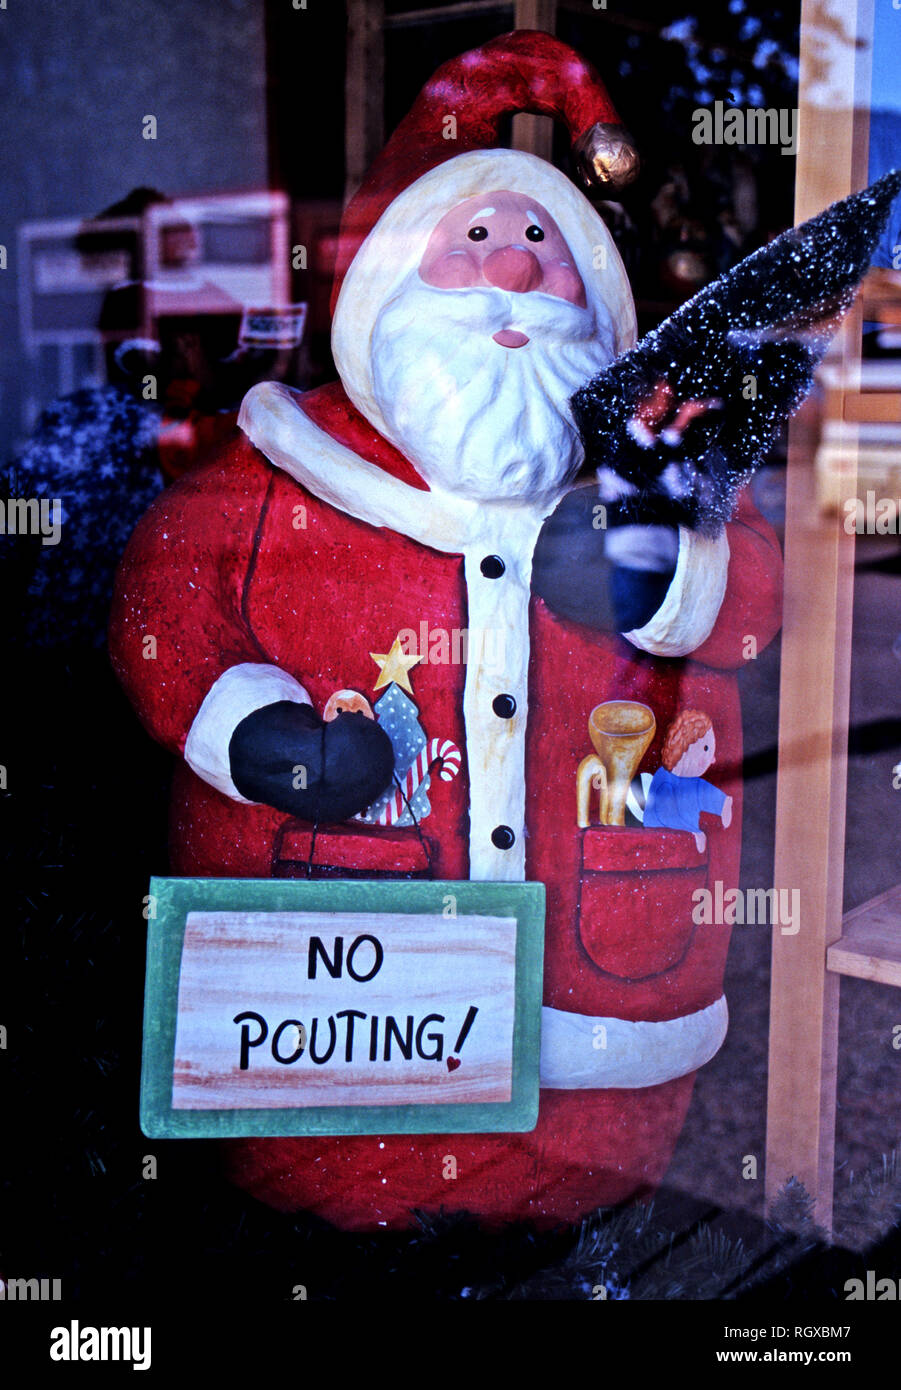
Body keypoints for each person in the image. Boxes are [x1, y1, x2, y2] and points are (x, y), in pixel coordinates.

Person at [109, 32, 784, 1229]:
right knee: (328, 1212)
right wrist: (251, 728)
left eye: (542, 247)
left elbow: (752, 609)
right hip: (339, 1021)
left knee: (582, 1211)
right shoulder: (277, 475)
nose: (512, 277)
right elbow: (172, 602)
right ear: (384, 291)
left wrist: (660, 565)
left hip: (606, 1002)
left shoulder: (644, 461)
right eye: (473, 241)